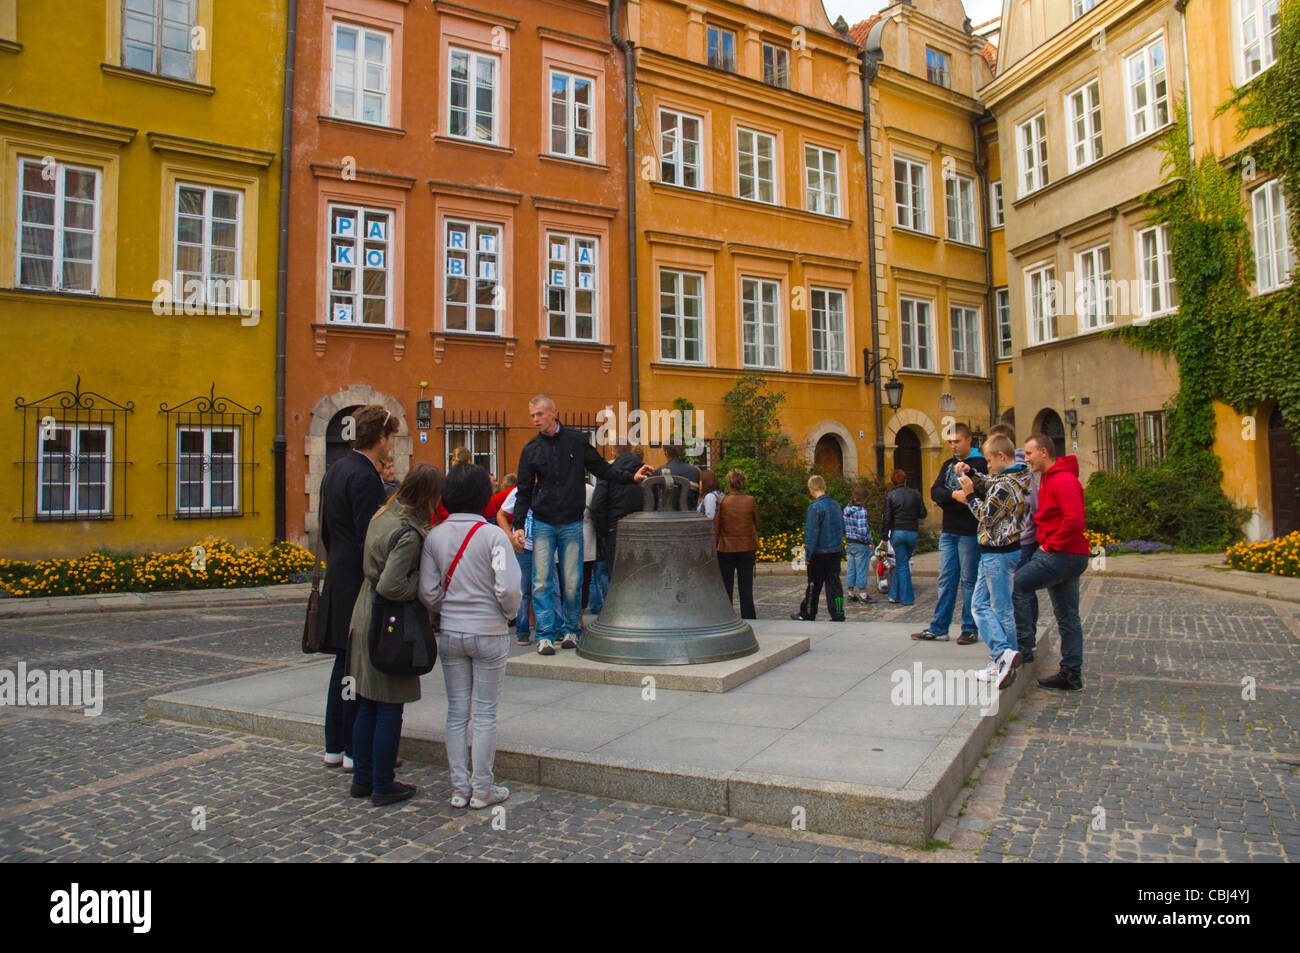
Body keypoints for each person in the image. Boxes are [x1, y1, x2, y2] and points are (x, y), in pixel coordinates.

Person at [513, 395, 652, 655]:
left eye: (539, 414)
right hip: (543, 522)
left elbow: (601, 469)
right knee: (541, 581)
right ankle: (544, 635)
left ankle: (571, 631)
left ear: (554, 413)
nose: (535, 419)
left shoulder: (576, 441)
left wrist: (631, 477)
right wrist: (518, 525)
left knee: (572, 580)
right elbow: (523, 491)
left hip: (571, 522)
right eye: (532, 415)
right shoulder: (531, 449)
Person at [420, 464, 522, 810]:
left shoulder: (435, 536)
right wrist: (507, 614)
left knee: (455, 713)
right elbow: (508, 587)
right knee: (486, 713)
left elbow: (428, 591)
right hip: (489, 630)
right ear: (483, 498)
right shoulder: (493, 536)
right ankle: (483, 789)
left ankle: (459, 787)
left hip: (452, 631)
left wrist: (446, 608)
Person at [347, 462, 444, 806]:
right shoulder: (407, 532)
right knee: (389, 706)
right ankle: (383, 783)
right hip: (388, 621)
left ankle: (362, 778)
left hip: (364, 612)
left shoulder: (382, 514)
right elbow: (392, 584)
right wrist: (421, 587)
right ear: (428, 496)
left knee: (367, 705)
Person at [317, 405, 398, 770]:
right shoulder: (365, 476)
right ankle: (352, 748)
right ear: (380, 438)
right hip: (357, 583)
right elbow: (372, 538)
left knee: (342, 666)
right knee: (355, 668)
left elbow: (327, 530)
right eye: (391, 436)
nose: (392, 443)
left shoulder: (335, 470)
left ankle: (335, 743)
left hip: (338, 575)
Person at [952, 435, 1032, 691]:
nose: (986, 465)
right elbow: (991, 483)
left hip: (997, 551)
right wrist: (971, 471)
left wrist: (969, 494)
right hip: (1002, 551)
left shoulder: (1006, 484)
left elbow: (985, 516)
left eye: (988, 460)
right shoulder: (1015, 477)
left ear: (1001, 457)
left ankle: (1003, 655)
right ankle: (1003, 658)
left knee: (990, 608)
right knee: (989, 606)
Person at [1012, 433, 1090, 691]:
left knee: (1021, 583)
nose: (1026, 458)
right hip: (1067, 554)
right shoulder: (1047, 478)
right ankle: (1071, 673)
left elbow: (1075, 520)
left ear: (1044, 452)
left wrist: (1050, 545)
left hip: (1064, 554)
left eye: (1030, 453)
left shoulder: (1064, 481)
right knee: (1067, 615)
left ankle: (1025, 648)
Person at [912, 423, 988, 643]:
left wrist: (953, 498)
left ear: (968, 440)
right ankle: (939, 627)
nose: (953, 446)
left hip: (969, 531)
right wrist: (954, 496)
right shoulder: (948, 464)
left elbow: (977, 496)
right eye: (950, 442)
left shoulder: (979, 464)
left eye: (957, 441)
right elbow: (935, 491)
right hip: (949, 530)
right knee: (946, 579)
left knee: (968, 580)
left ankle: (970, 627)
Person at [989, 423, 1040, 643]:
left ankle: (1024, 640)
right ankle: (1024, 638)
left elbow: (1032, 504)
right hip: (1019, 539)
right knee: (1020, 591)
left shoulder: (1018, 471)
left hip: (1019, 540)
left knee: (1019, 592)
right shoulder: (1019, 469)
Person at [497, 484, 560, 646]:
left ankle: (555, 628)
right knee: (524, 591)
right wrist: (510, 537)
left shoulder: (551, 488)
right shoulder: (519, 491)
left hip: (545, 547)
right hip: (524, 547)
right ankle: (523, 631)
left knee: (552, 589)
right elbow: (501, 515)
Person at [791, 474, 846, 622]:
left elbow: (812, 533)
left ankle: (808, 612)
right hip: (834, 550)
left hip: (819, 552)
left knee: (813, 585)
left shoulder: (814, 507)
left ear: (811, 489)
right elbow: (841, 526)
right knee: (834, 585)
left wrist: (807, 556)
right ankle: (838, 613)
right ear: (824, 487)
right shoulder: (835, 504)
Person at [590, 443, 645, 578]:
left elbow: (597, 505)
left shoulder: (608, 473)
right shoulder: (646, 471)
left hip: (616, 530)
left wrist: (603, 532)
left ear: (613, 453)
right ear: (632, 450)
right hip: (644, 530)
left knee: (617, 579)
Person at [715, 468, 759, 619]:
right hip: (747, 547)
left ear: (728, 484)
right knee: (746, 588)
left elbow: (717, 527)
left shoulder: (722, 502)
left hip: (725, 549)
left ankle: (727, 618)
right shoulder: (750, 501)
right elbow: (757, 522)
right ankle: (749, 617)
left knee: (726, 587)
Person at [881, 469, 926, 605]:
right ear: (905, 479)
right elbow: (923, 513)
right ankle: (894, 594)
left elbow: (887, 518)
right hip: (912, 532)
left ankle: (905, 598)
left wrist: (884, 536)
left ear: (893, 481)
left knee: (902, 564)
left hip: (898, 533)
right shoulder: (915, 494)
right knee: (902, 563)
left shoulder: (891, 496)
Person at [842, 484, 876, 605]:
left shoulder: (847, 509)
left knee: (851, 569)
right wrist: (869, 540)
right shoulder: (861, 511)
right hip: (860, 545)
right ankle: (863, 594)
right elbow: (862, 531)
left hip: (849, 543)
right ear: (864, 498)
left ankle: (850, 593)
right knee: (861, 569)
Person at [661, 444, 700, 509]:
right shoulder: (695, 471)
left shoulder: (660, 471)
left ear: (666, 453)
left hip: (666, 515)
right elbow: (695, 498)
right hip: (689, 514)